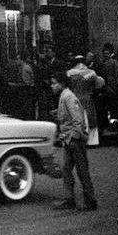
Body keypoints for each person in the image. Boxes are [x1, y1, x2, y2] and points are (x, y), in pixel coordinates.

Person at [49, 72, 97, 211]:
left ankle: (90, 201)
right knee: (67, 170)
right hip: (69, 139)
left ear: (62, 84)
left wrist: (72, 138)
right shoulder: (64, 96)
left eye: (54, 83)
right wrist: (57, 113)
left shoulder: (68, 96)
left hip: (74, 140)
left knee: (82, 171)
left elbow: (78, 120)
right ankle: (70, 199)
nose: (52, 86)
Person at [66, 55, 103, 146]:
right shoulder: (91, 73)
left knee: (76, 119)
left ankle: (78, 139)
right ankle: (92, 141)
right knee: (90, 119)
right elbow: (99, 84)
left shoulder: (69, 73)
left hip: (74, 98)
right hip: (87, 97)